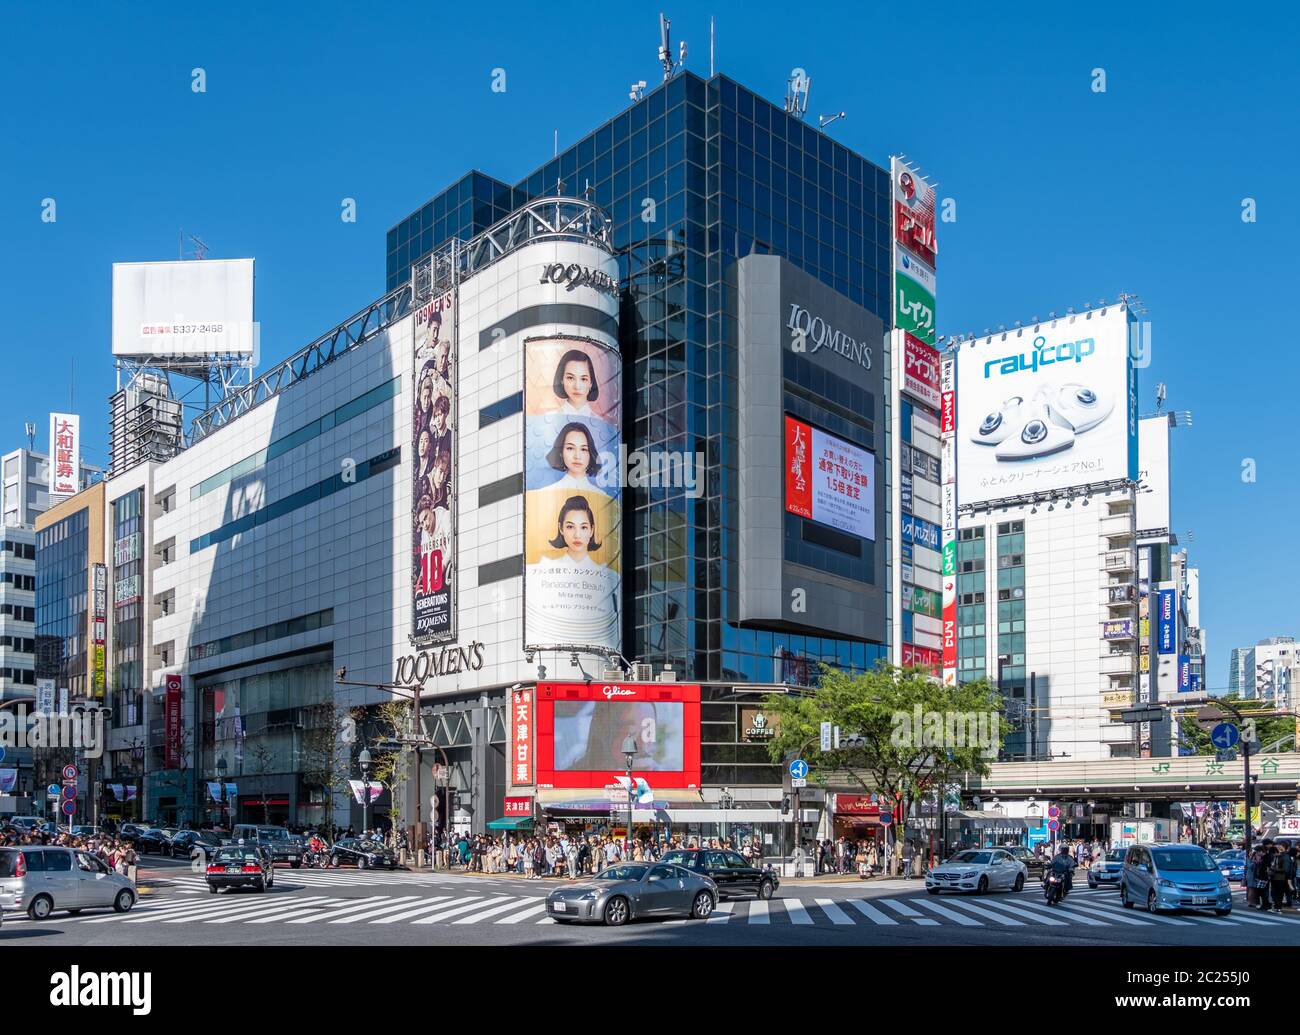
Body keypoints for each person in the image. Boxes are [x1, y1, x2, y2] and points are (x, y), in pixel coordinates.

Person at [544, 422, 604, 492]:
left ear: (590, 454)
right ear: (561, 452)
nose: (577, 456)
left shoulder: (602, 495)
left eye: (583, 449)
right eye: (570, 448)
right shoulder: (547, 492)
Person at [552, 349, 600, 417]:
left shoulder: (600, 422)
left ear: (591, 383)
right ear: (561, 380)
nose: (577, 386)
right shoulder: (551, 417)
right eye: (570, 378)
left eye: (583, 379)